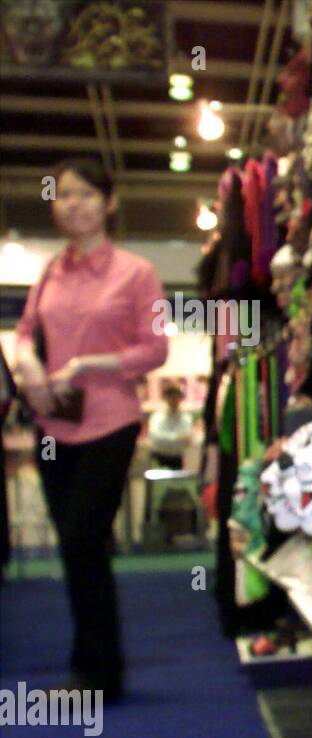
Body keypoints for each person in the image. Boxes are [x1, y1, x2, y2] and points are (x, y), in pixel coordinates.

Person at [11, 158, 168, 700]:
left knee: (82, 536)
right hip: (54, 425)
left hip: (109, 422)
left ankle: (97, 673)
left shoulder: (135, 272)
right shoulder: (52, 272)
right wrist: (27, 366)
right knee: (77, 546)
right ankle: (94, 664)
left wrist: (87, 366)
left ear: (109, 201)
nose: (72, 204)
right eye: (63, 195)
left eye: (84, 194)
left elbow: (154, 350)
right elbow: (26, 333)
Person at [147, 381, 192, 469]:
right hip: (159, 458)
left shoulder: (186, 418)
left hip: (177, 459)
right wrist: (176, 438)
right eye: (171, 396)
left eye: (176, 396)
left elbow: (186, 440)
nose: (174, 399)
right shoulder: (157, 417)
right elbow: (156, 439)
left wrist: (167, 439)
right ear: (166, 398)